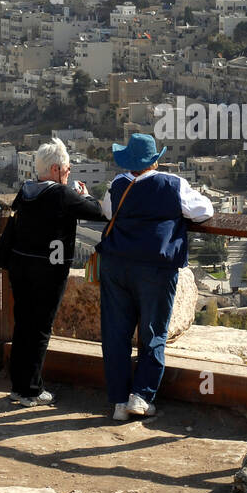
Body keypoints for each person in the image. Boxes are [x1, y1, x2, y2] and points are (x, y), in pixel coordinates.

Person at [98, 133, 214, 421]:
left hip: (115, 265)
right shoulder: (173, 184)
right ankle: (142, 396)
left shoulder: (117, 184)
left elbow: (106, 211)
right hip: (154, 268)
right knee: (153, 332)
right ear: (155, 160)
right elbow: (204, 211)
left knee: (116, 333)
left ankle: (118, 402)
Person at [5, 139, 106, 407]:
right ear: (55, 169)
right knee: (40, 329)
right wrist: (83, 195)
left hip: (20, 265)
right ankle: (32, 390)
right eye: (68, 168)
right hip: (48, 271)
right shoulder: (61, 195)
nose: (69, 172)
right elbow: (98, 212)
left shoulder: (25, 190)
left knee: (24, 325)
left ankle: (18, 386)